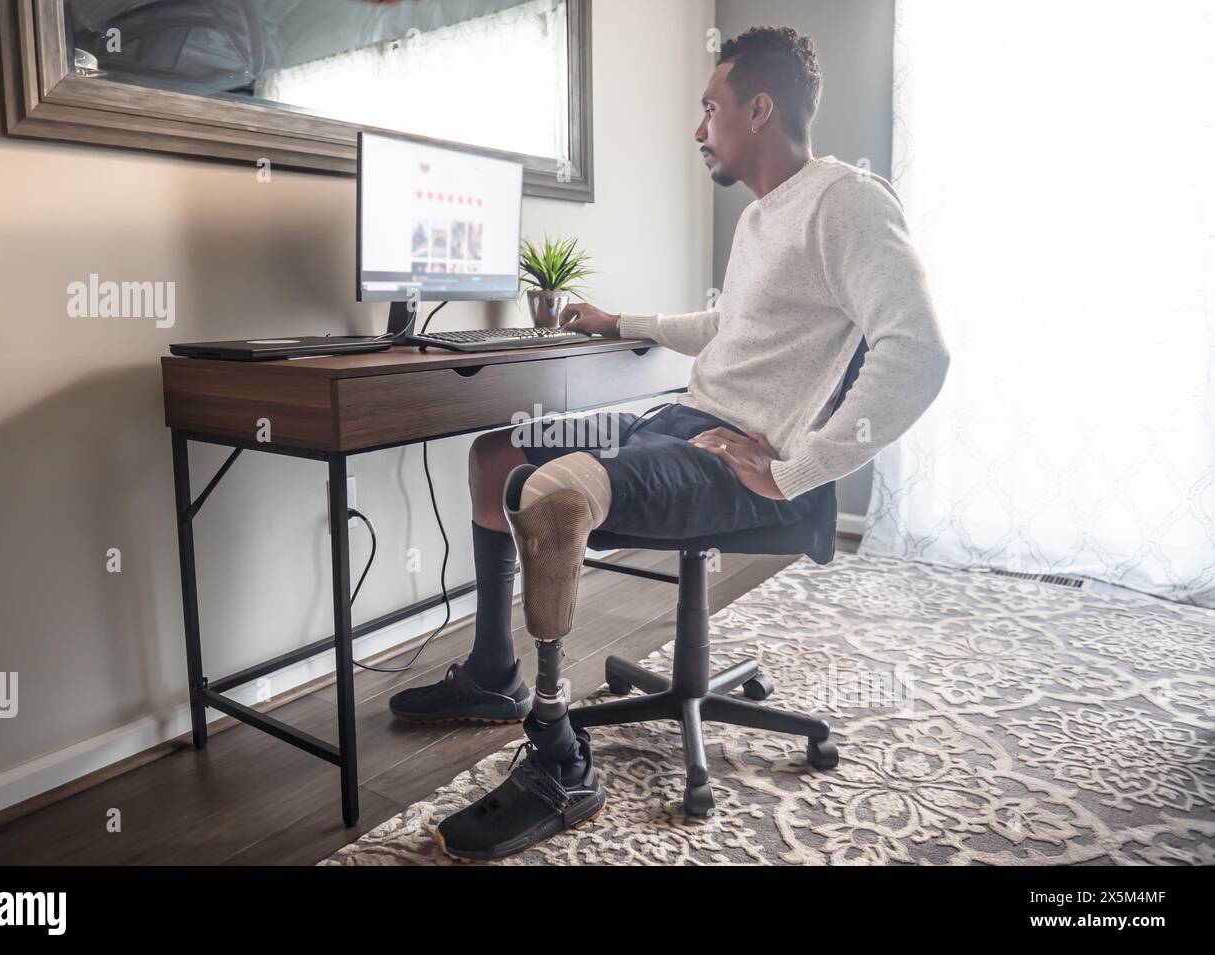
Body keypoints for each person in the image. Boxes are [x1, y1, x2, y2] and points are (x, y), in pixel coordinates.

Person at [388, 25, 951, 861]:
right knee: (498, 456)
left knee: (552, 493)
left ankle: (559, 763)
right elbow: (731, 325)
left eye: (708, 109)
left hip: (738, 456)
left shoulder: (846, 201)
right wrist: (623, 321)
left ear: (758, 110)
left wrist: (797, 470)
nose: (698, 130)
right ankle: (495, 673)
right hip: (684, 423)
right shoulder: (765, 216)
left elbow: (920, 349)